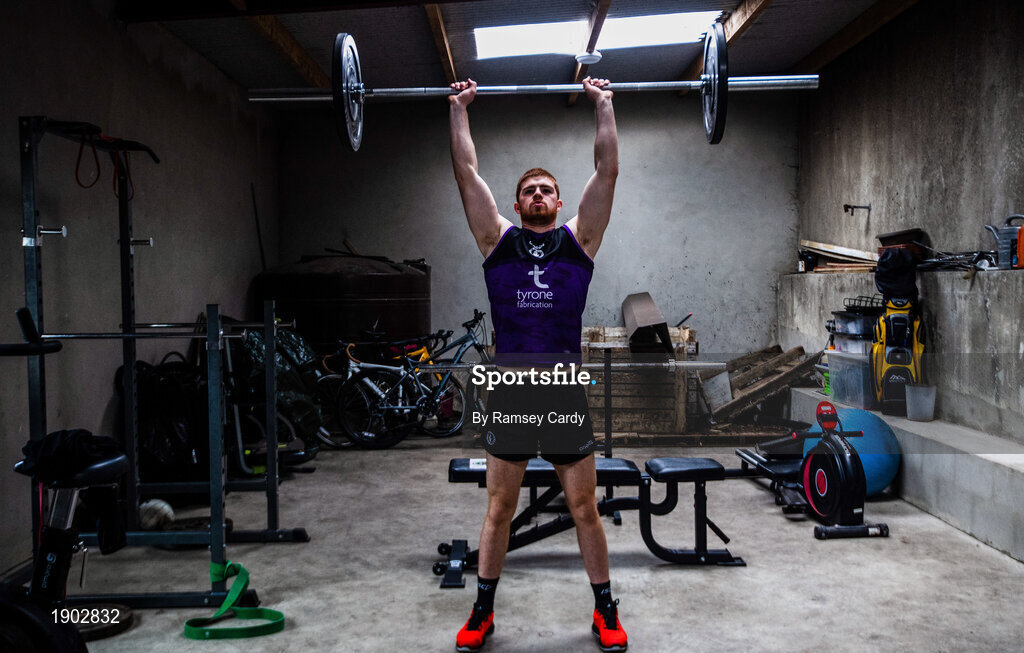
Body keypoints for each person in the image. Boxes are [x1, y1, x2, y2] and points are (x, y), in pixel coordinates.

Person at [448, 76, 624, 652]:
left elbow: (607, 173)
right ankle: (482, 612)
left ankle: (604, 611)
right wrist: (459, 112)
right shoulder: (496, 242)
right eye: (531, 190)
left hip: (563, 387)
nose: (541, 195)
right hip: (515, 388)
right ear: (518, 203)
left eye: (548, 188)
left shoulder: (581, 242)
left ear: (558, 200)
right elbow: (467, 175)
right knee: (499, 507)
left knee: (584, 507)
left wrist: (604, 105)